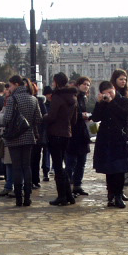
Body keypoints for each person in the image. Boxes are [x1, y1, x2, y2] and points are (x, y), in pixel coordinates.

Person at [1, 75, 42, 207]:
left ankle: (19, 197)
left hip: (14, 137)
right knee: (26, 166)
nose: (10, 88)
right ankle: (28, 197)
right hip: (28, 136)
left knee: (17, 167)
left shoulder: (13, 99)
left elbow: (6, 119)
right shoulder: (33, 99)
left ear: (16, 85)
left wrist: (1, 119)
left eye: (10, 85)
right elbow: (38, 118)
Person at [91, 81, 128, 209]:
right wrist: (99, 103)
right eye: (105, 93)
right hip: (106, 139)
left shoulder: (123, 101)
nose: (108, 95)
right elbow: (96, 117)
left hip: (119, 139)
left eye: (110, 92)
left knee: (120, 169)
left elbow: (124, 115)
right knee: (109, 170)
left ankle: (119, 195)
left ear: (114, 90)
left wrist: (111, 102)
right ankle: (111, 195)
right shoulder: (102, 103)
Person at [42, 72, 78, 206]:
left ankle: (62, 195)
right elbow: (74, 119)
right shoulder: (73, 97)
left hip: (55, 133)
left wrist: (43, 117)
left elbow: (51, 116)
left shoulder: (57, 96)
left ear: (56, 82)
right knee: (62, 165)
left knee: (58, 167)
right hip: (66, 133)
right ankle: (68, 195)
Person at [67, 76, 92, 196]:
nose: (86, 87)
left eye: (88, 85)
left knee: (82, 162)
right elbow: (70, 114)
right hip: (73, 134)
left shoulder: (83, 98)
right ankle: (66, 186)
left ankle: (77, 185)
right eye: (84, 84)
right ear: (78, 84)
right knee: (71, 162)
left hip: (82, 133)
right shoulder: (74, 97)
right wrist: (81, 115)